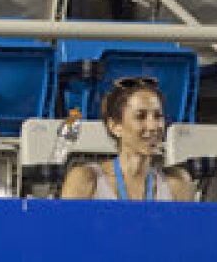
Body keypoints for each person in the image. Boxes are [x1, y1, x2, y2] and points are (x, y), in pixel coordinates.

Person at [60, 78, 196, 201]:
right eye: (140, 116)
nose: (154, 126)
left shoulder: (177, 184)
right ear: (115, 126)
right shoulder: (85, 179)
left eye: (158, 116)